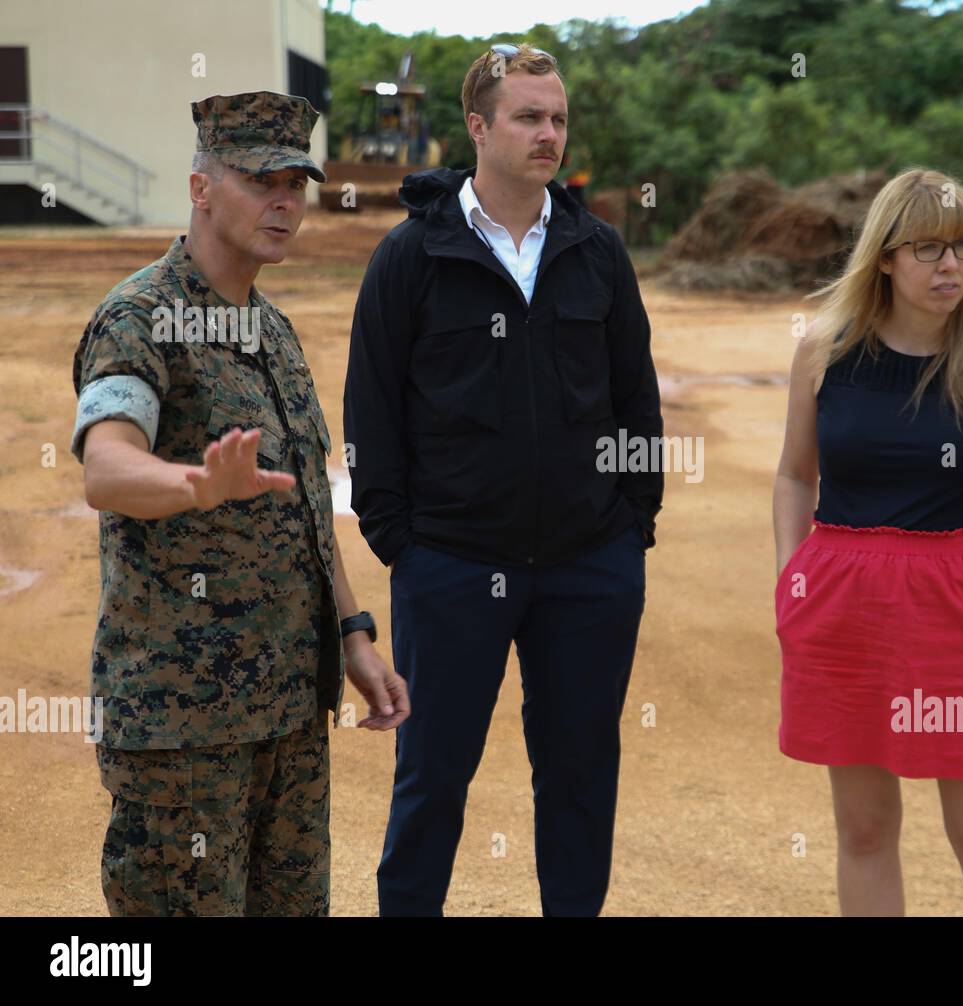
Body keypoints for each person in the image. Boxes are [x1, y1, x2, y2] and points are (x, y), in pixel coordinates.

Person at [70, 91, 408, 917]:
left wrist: (353, 634)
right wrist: (196, 484)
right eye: (262, 181)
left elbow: (306, 513)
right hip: (183, 727)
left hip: (290, 713)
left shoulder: (275, 332)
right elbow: (107, 468)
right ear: (202, 189)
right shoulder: (139, 318)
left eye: (297, 182)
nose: (285, 202)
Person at [344, 43, 663, 916]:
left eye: (557, 117)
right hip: (451, 563)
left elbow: (636, 399)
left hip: (589, 566)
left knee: (580, 779)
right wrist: (401, 544)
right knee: (433, 783)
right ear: (478, 127)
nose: (548, 133)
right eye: (529, 116)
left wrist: (632, 528)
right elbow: (370, 411)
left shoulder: (597, 251)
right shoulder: (411, 256)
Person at [772, 167, 963, 916]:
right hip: (841, 607)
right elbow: (795, 478)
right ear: (887, 258)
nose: (951, 266)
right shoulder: (824, 350)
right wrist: (789, 581)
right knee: (864, 831)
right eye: (928, 249)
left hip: (957, 605)